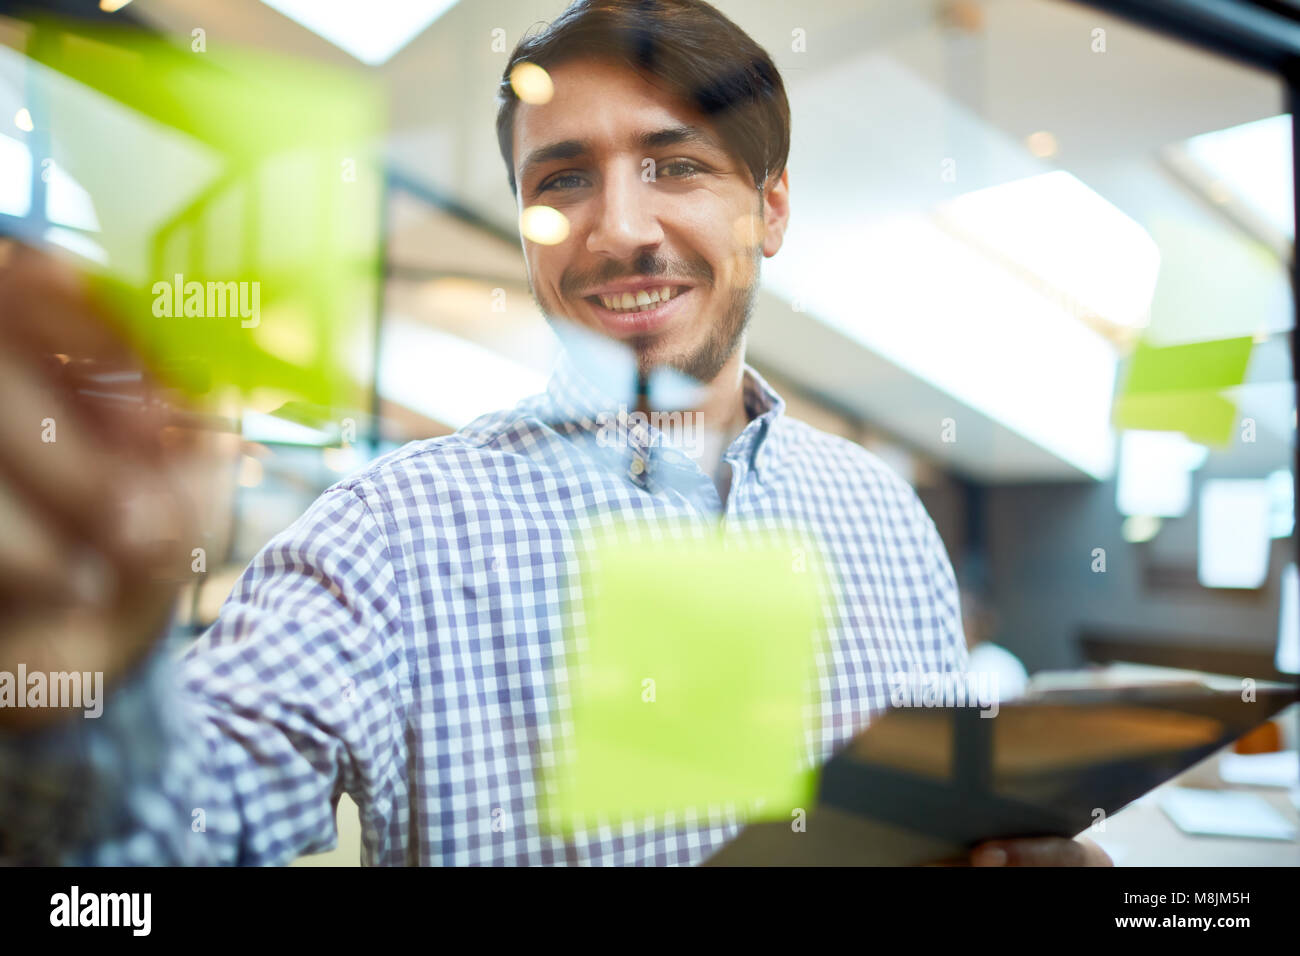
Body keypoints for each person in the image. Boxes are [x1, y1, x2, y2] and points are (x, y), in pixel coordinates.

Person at [0, 0, 1108, 866]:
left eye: (676, 165)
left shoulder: (883, 514)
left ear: (768, 208)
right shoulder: (388, 530)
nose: (619, 230)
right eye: (563, 179)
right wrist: (74, 699)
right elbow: (167, 832)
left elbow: (961, 812)